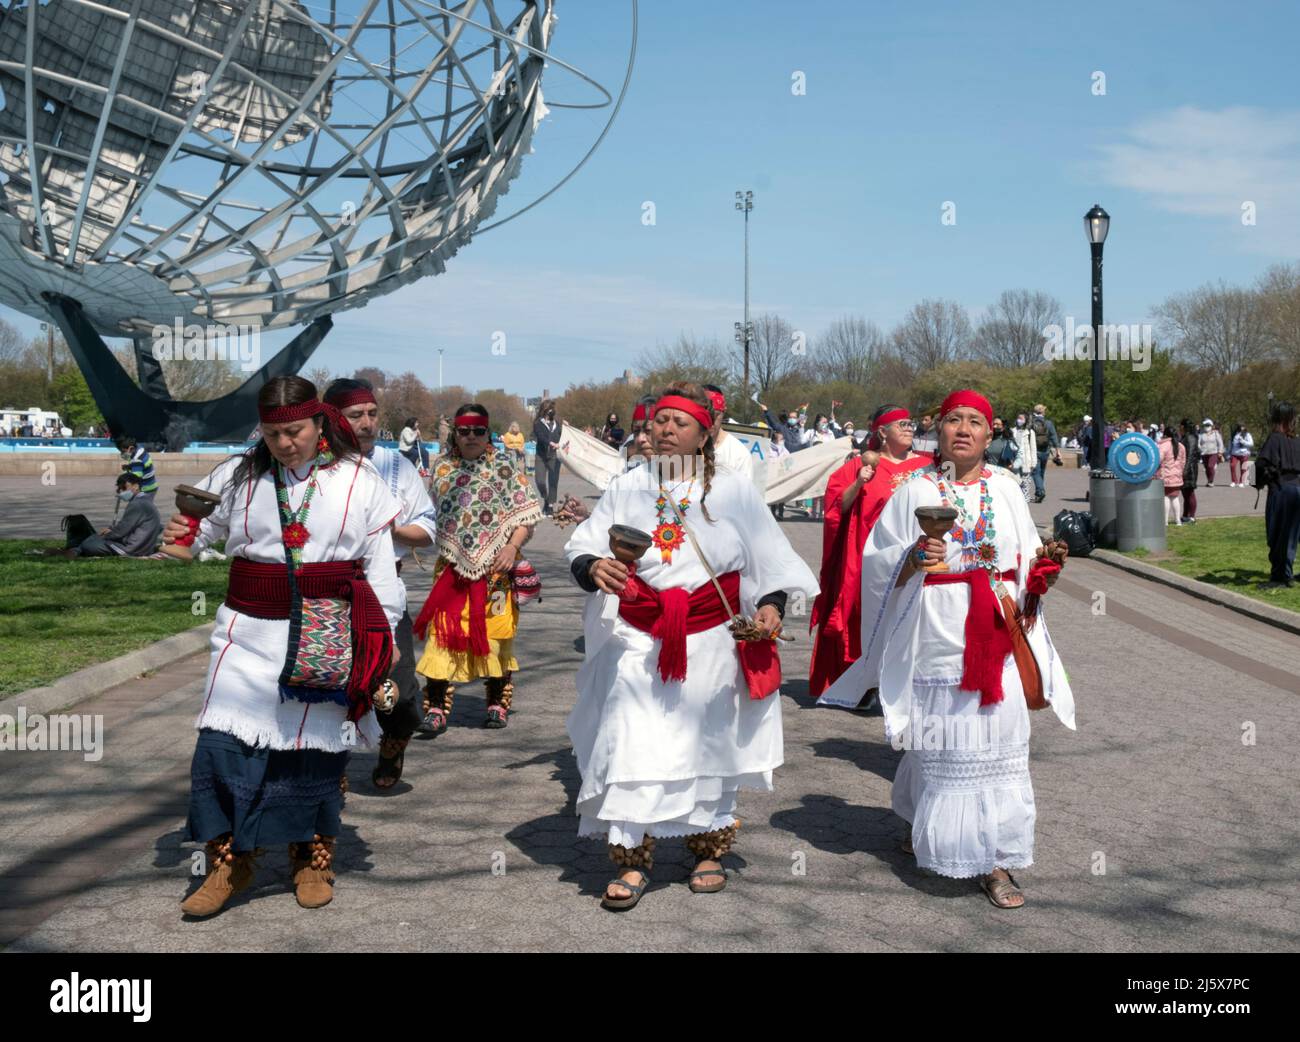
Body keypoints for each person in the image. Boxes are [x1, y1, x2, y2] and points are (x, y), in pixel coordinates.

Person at [564, 382, 817, 910]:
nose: (665, 430)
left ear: (707, 434)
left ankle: (707, 849)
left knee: (709, 742)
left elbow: (769, 555)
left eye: (680, 423)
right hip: (638, 635)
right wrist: (594, 567)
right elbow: (585, 543)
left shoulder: (733, 490)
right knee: (632, 740)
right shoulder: (627, 484)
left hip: (710, 638)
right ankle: (633, 858)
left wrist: (769, 605)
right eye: (659, 421)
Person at [820, 389, 1075, 909]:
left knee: (999, 736)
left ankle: (995, 858)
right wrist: (914, 556)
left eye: (974, 422)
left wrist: (1040, 571)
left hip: (998, 624)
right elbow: (876, 561)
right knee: (946, 737)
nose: (963, 429)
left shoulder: (1006, 486)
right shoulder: (914, 488)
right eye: (953, 420)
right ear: (938, 430)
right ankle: (931, 827)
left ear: (989, 432)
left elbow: (1023, 553)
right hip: (937, 625)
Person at [168, 376, 403, 917]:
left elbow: (378, 562)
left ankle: (311, 858)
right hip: (245, 631)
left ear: (319, 422)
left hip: (325, 630)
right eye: (272, 434)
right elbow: (201, 531)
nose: (283, 444)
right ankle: (229, 861)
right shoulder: (238, 473)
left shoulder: (356, 478)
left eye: (293, 431)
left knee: (312, 751)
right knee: (223, 745)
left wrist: (383, 631)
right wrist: (184, 535)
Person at [323, 379, 437, 789]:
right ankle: (326, 774)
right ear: (334, 419)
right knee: (332, 689)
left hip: (385, 592)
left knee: (397, 692)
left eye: (373, 413)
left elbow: (427, 526)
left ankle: (394, 741)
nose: (368, 423)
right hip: (331, 598)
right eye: (357, 416)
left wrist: (393, 529)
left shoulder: (395, 467)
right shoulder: (315, 468)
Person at [413, 404, 543, 732]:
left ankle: (497, 702)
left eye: (478, 431)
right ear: (455, 432)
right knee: (442, 635)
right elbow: (428, 518)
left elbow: (525, 516)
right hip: (450, 570)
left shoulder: (505, 468)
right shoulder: (442, 469)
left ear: (488, 433)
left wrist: (512, 547)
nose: (471, 437)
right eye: (464, 431)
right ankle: (437, 707)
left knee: (497, 636)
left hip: (498, 571)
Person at [809, 405, 928, 698]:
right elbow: (836, 508)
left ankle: (910, 682)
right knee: (870, 616)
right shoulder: (860, 465)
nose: (909, 428)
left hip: (917, 554)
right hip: (871, 556)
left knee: (915, 613)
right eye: (901, 424)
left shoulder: (927, 466)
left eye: (910, 423)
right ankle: (863, 682)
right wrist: (859, 481)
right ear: (882, 432)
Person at [63, 472, 162, 557]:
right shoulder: (145, 501)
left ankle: (75, 551)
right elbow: (127, 526)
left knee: (90, 543)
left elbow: (121, 530)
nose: (121, 492)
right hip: (142, 546)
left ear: (136, 486)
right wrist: (111, 530)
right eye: (119, 489)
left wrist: (107, 535)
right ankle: (76, 551)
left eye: (124, 488)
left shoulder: (137, 504)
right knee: (95, 538)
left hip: (133, 549)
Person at [1257, 402, 1300, 588]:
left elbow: (1261, 466)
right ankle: (1286, 574)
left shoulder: (1274, 439)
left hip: (1282, 491)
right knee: (1293, 535)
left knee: (1278, 534)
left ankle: (1281, 576)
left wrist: (1260, 482)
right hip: (1297, 489)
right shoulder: (1297, 441)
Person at [704, 385, 756, 481]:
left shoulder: (739, 455)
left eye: (715, 415)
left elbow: (743, 495)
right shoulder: (683, 448)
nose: (709, 421)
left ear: (724, 411)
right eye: (704, 415)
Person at [532, 399, 563, 515]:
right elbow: (540, 437)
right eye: (549, 410)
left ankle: (550, 505)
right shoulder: (538, 423)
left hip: (555, 456)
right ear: (544, 410)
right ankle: (545, 498)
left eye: (552, 410)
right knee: (540, 481)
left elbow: (565, 436)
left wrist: (567, 428)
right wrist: (550, 443)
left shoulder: (558, 423)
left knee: (553, 481)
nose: (551, 412)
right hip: (541, 455)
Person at [1029, 404, 1060, 503]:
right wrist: (1057, 451)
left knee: (1035, 472)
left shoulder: (1031, 423)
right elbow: (1054, 437)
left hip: (1034, 451)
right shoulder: (1048, 423)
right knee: (1041, 472)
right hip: (1046, 450)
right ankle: (1040, 490)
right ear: (1042, 412)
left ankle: (1040, 491)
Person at [1158, 422, 1184, 526]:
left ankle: (1165, 521)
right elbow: (1183, 461)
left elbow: (1158, 459)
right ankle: (1178, 520)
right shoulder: (1181, 446)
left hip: (1165, 476)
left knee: (1166, 497)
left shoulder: (1163, 446)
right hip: (1177, 476)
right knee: (1175, 497)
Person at [117, 436, 158, 500]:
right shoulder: (140, 449)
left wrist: (123, 483)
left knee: (141, 506)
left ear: (131, 448)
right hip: (151, 485)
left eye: (123, 451)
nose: (122, 454)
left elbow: (135, 478)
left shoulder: (137, 459)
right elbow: (141, 466)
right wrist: (130, 467)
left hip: (146, 488)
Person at [1010, 413, 1038, 502]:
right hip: (1015, 460)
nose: (1019, 420)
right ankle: (1016, 499)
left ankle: (1025, 500)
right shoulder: (1012, 431)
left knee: (1026, 482)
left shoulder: (1029, 432)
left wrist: (1034, 462)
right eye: (1018, 418)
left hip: (1026, 461)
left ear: (1025, 420)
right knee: (1015, 480)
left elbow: (1033, 448)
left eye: (1021, 418)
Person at [1178, 418, 1201, 524]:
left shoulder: (1191, 438)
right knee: (1185, 493)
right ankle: (1185, 515)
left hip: (1190, 468)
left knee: (1190, 492)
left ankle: (1191, 517)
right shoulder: (1184, 437)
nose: (1179, 427)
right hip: (1185, 467)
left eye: (1180, 426)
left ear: (1183, 426)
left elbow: (1190, 455)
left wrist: (1185, 470)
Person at [1199, 419, 1225, 486]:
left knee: (1211, 466)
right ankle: (1209, 480)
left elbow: (1220, 443)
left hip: (1213, 453)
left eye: (1208, 425)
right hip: (1204, 453)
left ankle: (1211, 481)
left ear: (1211, 426)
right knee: (1207, 468)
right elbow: (1198, 443)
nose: (1206, 426)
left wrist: (1220, 452)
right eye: (1205, 425)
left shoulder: (1216, 433)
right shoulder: (1201, 434)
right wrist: (1199, 449)